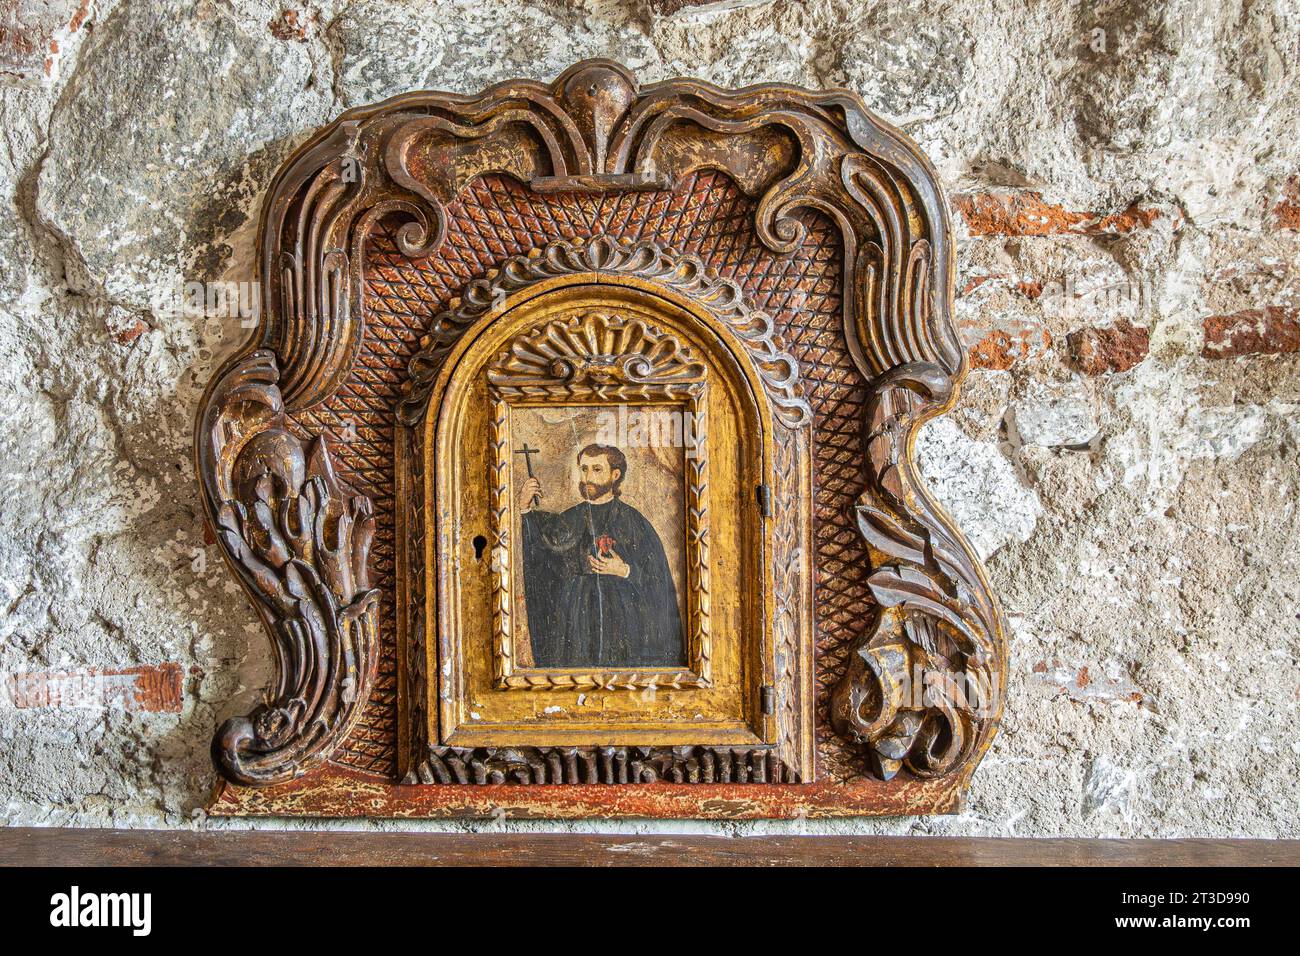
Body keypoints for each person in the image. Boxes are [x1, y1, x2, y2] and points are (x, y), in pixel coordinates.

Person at [519, 443, 684, 668]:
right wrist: (526, 509)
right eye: (584, 469)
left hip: (622, 622)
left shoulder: (634, 521)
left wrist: (624, 570)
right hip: (577, 622)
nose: (588, 477)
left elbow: (657, 579)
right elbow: (544, 556)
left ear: (615, 475)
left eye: (596, 469)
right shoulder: (570, 518)